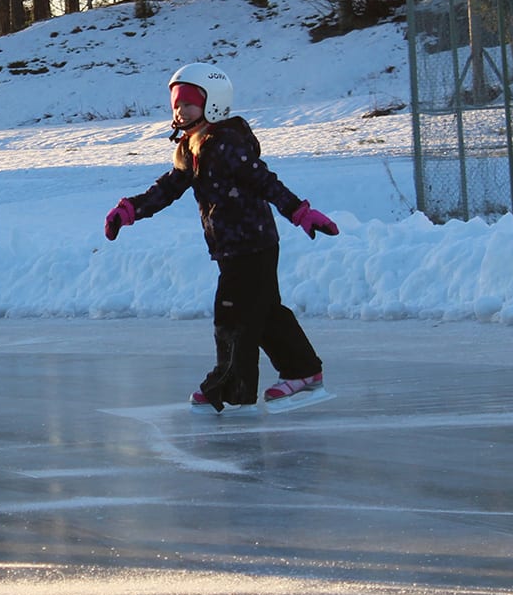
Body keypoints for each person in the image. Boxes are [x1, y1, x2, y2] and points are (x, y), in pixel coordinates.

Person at [102, 63, 339, 410]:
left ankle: (228, 388)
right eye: (176, 105)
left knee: (232, 315)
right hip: (232, 247)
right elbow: (169, 188)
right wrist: (131, 210)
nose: (180, 111)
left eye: (188, 103)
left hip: (253, 244)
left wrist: (300, 213)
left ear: (213, 102)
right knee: (265, 311)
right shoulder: (189, 147)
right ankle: (303, 372)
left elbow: (264, 181)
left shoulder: (226, 142)